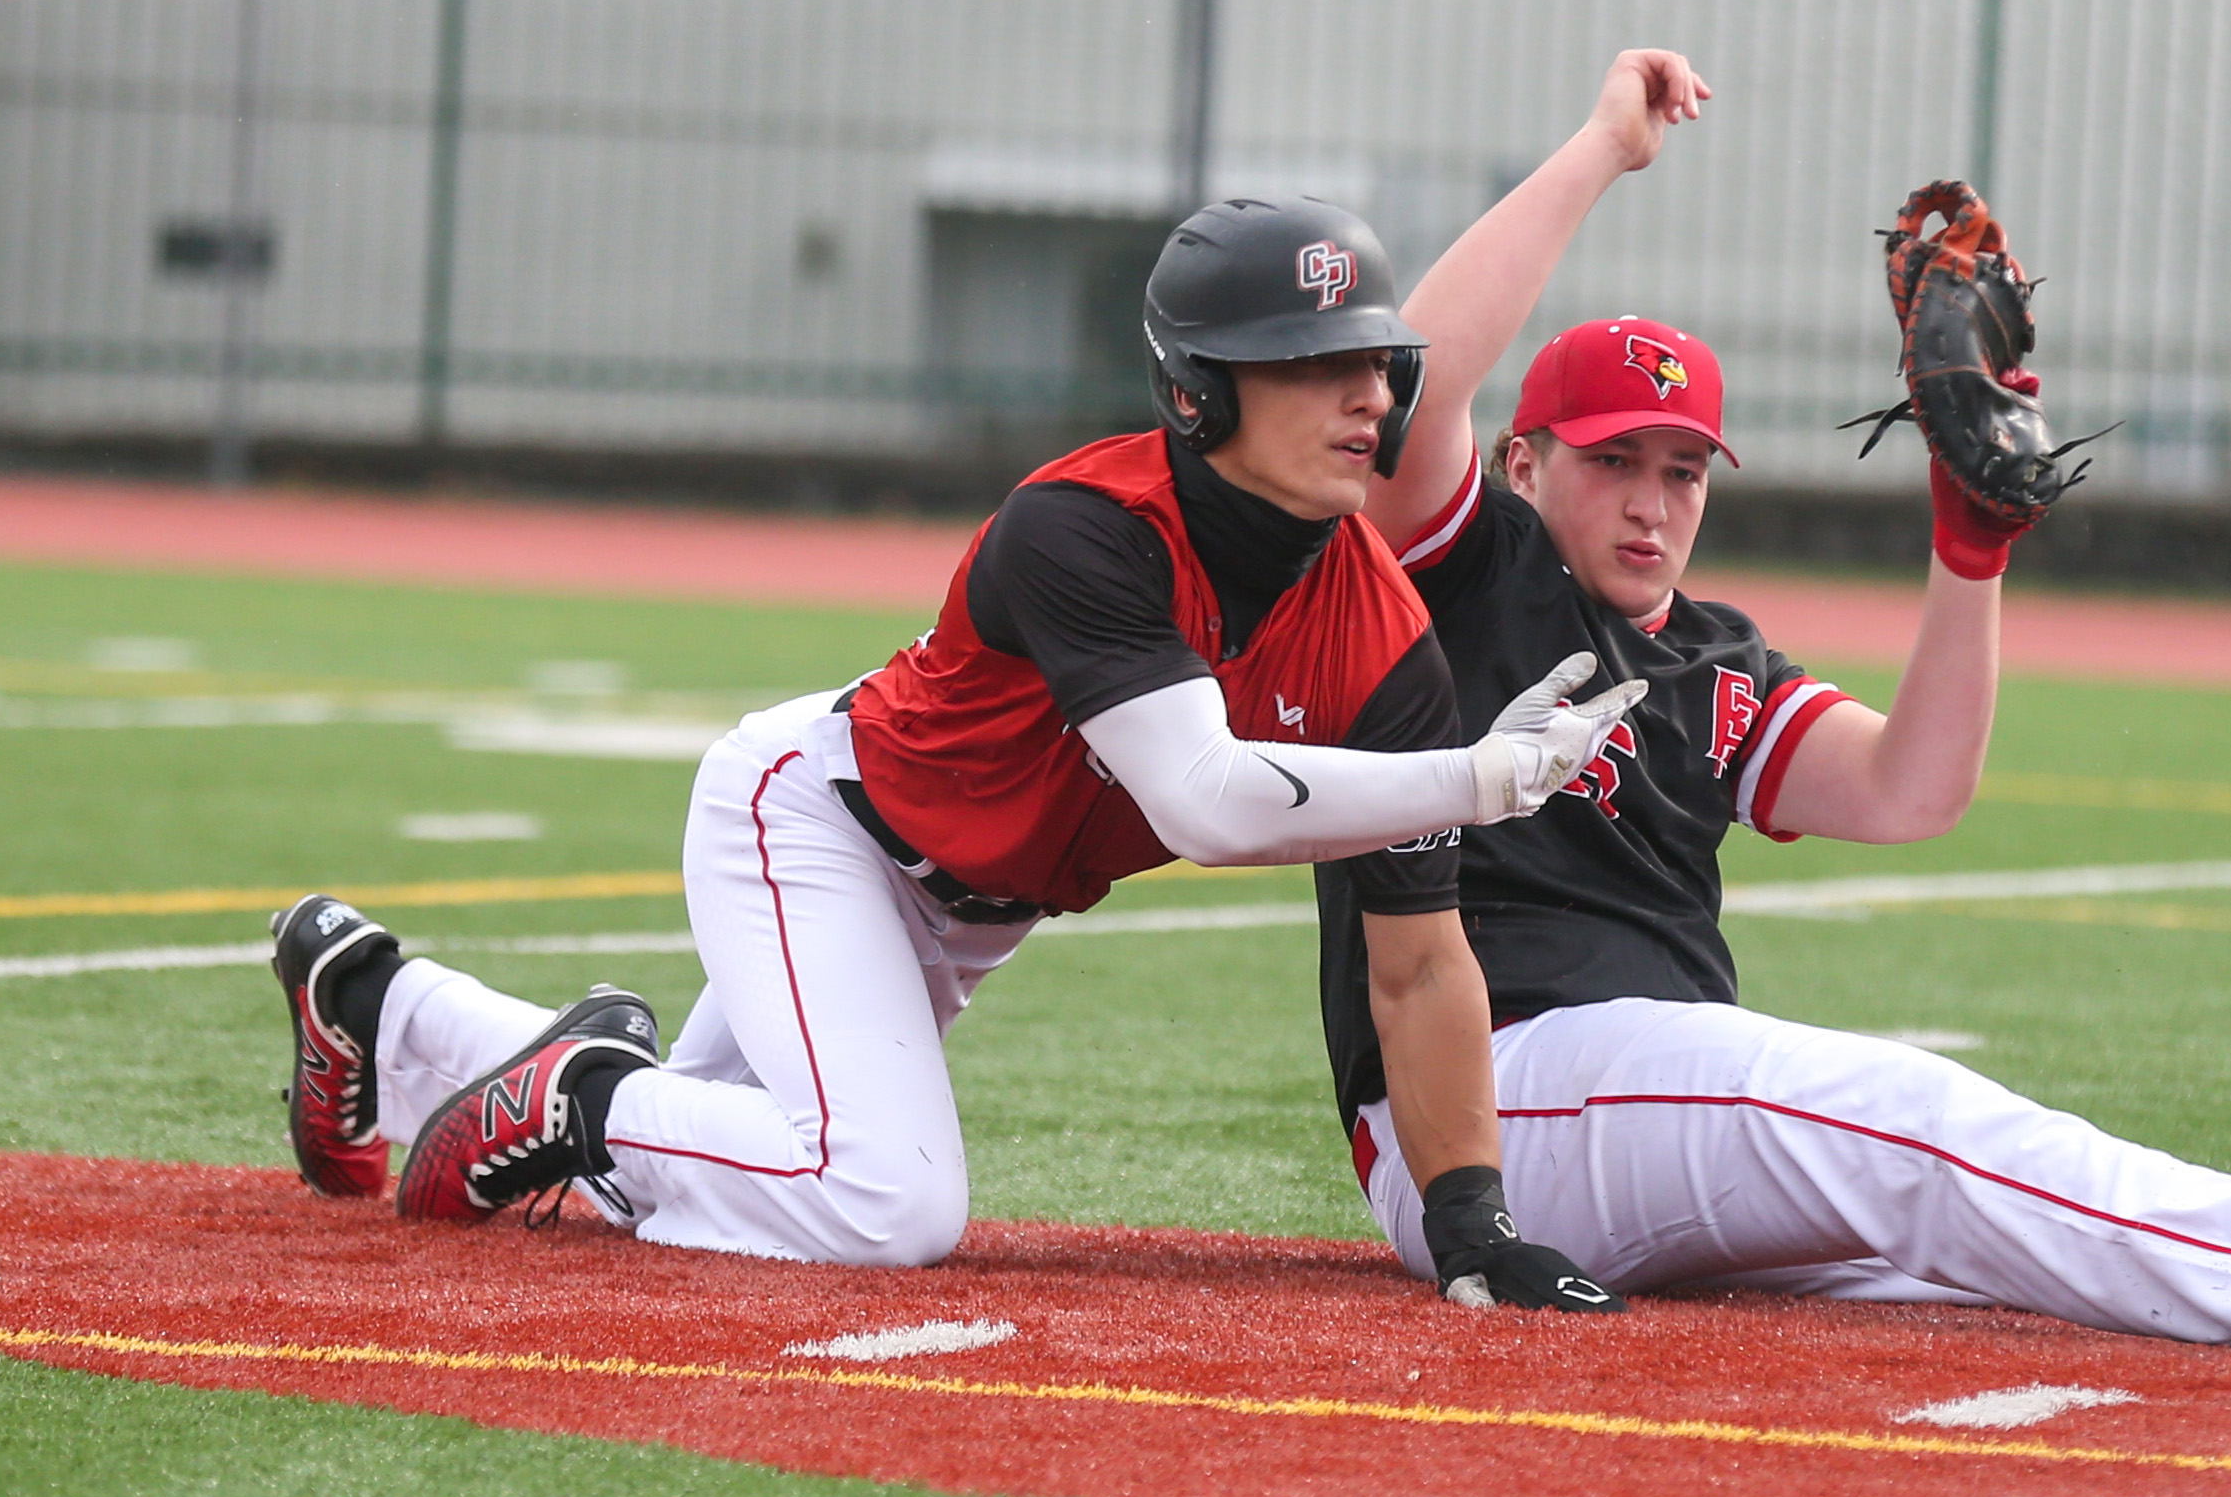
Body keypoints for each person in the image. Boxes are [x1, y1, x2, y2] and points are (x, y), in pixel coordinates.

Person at [1322, 56, 2231, 1359]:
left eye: (1684, 469)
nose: (1652, 501)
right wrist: (1599, 150)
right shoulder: (1461, 568)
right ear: (1525, 464)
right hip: (1489, 1109)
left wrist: (1970, 556)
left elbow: (1913, 788)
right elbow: (1407, 382)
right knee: (1904, 1119)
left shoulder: (1718, 658)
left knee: (1999, 1246)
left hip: (1640, 1119)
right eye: (1613, 460)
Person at [268, 191, 1649, 1279]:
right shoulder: (1088, 526)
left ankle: (373, 996)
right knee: (880, 1201)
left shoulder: (1379, 625)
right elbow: (1205, 801)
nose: (1368, 396)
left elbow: (1418, 967)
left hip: (966, 904)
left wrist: (1471, 1219)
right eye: (1312, 363)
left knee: (701, 1177)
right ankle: (584, 1093)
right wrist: (1475, 776)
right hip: (820, 827)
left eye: (1378, 361)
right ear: (1198, 392)